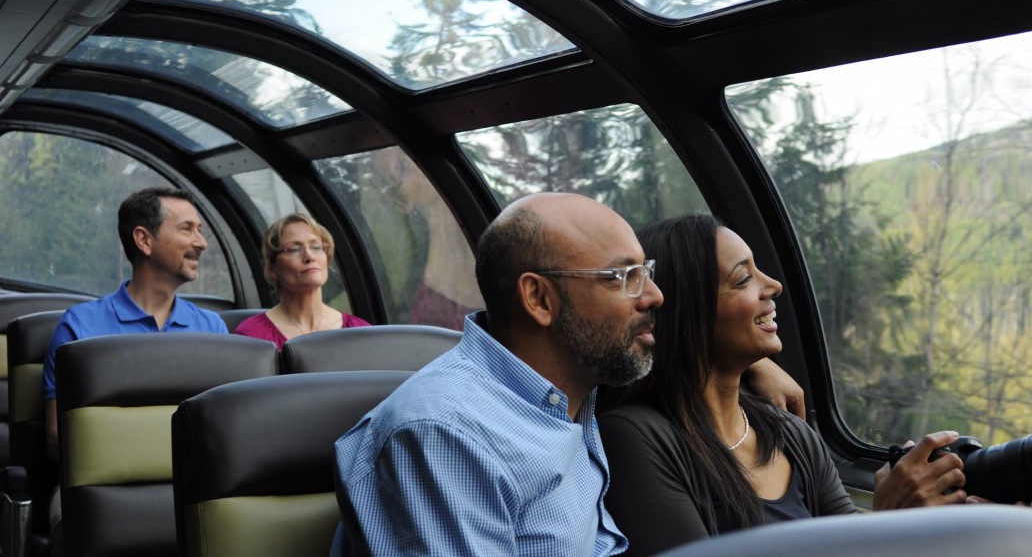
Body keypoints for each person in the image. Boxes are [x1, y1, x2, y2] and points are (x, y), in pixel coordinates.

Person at [330, 193, 802, 555]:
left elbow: (679, 348)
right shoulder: (445, 434)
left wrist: (753, 364)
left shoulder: (572, 391)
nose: (656, 296)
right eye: (626, 277)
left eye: (648, 272)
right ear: (539, 299)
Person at [597, 214, 968, 556]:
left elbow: (849, 543)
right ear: (687, 310)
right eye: (744, 278)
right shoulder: (633, 437)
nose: (774, 286)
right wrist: (888, 523)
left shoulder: (789, 432)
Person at [41, 186, 228, 553]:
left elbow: (227, 430)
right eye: (188, 229)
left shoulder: (214, 329)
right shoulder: (80, 327)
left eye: (200, 230)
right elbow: (58, 440)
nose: (202, 243)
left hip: (193, 482)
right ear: (144, 239)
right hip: (99, 488)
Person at [234, 213, 369, 349]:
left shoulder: (360, 330)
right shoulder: (251, 336)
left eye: (316, 247)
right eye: (294, 249)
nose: (309, 257)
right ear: (271, 269)